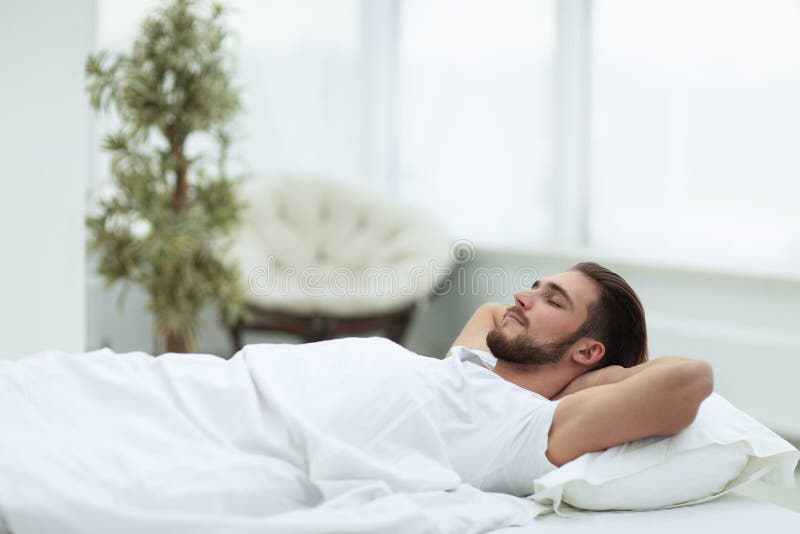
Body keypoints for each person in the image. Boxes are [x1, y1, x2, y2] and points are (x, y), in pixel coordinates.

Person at [446, 261, 714, 468]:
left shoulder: (531, 425)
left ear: (587, 351)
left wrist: (592, 383)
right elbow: (492, 310)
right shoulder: (475, 358)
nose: (519, 296)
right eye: (535, 289)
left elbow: (691, 378)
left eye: (552, 300)